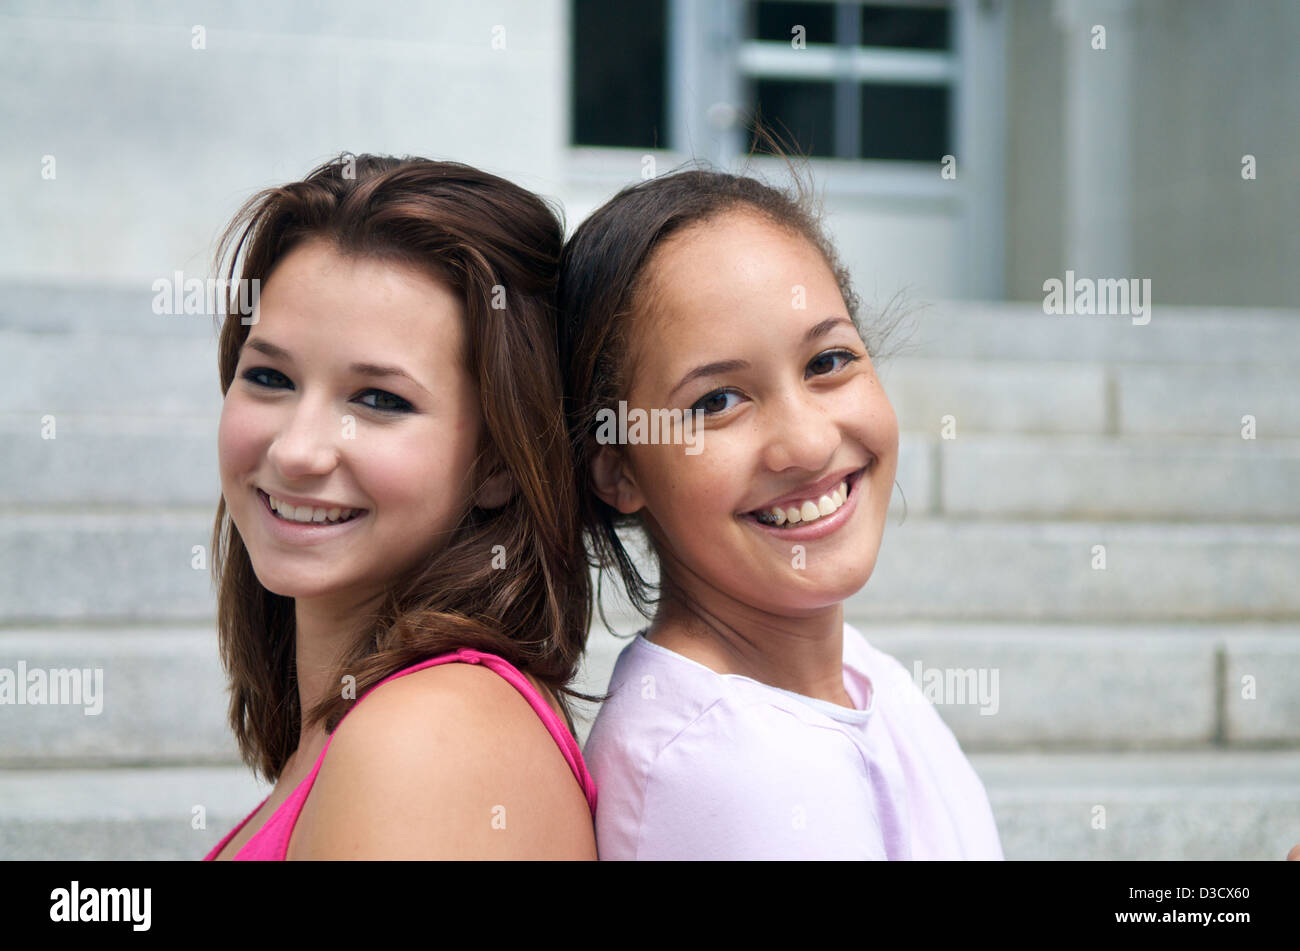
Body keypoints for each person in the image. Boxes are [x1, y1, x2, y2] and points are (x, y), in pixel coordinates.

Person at [557, 158, 1004, 860]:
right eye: (716, 401)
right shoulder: (712, 766)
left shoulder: (868, 676)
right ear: (617, 469)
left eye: (828, 361)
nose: (806, 441)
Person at [203, 154, 596, 860]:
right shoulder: (371, 726)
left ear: (499, 462)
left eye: (379, 399)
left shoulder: (427, 739)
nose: (297, 450)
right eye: (268, 376)